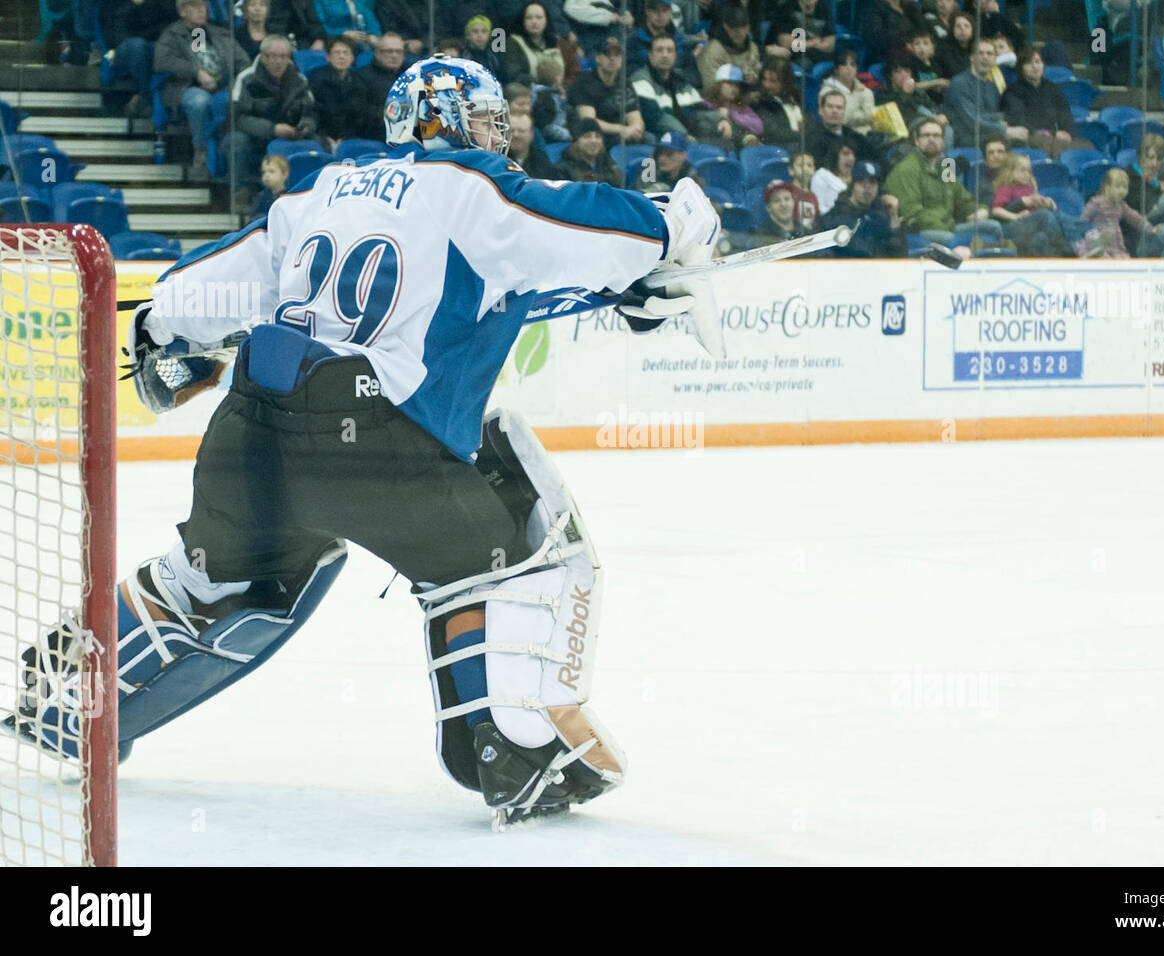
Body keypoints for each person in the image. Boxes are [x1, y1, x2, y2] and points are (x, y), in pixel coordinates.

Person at [23, 56, 721, 828]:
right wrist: (674, 227)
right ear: (445, 119)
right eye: (489, 120)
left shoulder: (323, 190)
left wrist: (162, 330)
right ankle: (516, 745)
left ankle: (60, 694)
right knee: (525, 546)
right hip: (378, 453)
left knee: (218, 581)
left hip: (250, 437)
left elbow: (200, 289)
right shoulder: (469, 189)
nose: (502, 137)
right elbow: (571, 224)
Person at [155, 0, 250, 183]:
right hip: (186, 87)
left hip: (222, 87)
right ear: (183, 11)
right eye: (196, 7)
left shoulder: (220, 34)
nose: (202, 11)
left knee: (231, 100)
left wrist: (233, 81)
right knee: (200, 102)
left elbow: (243, 62)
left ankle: (224, 154)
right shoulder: (172, 35)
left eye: (204, 7)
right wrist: (195, 72)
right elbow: (162, 61)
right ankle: (201, 149)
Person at [225, 35, 318, 208]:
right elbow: (236, 119)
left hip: (289, 134)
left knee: (318, 142)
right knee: (236, 141)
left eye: (283, 56)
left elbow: (311, 113)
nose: (278, 61)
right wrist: (272, 129)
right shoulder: (247, 78)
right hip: (254, 137)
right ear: (263, 57)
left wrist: (305, 126)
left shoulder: (300, 80)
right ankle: (239, 193)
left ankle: (312, 194)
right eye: (273, 56)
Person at [883, 115, 1001, 245]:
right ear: (917, 141)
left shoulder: (945, 166)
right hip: (922, 232)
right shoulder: (907, 169)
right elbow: (912, 214)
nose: (931, 139)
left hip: (948, 228)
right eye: (926, 135)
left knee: (994, 228)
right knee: (953, 240)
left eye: (936, 136)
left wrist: (979, 210)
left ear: (943, 141)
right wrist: (948, 228)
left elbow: (962, 200)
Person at [630, 35, 732, 144]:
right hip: (661, 137)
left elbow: (700, 109)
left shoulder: (681, 82)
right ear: (650, 55)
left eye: (669, 51)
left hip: (686, 136)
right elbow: (653, 117)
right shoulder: (640, 78)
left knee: (725, 133)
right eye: (659, 50)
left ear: (675, 56)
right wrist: (683, 135)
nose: (665, 55)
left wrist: (721, 119)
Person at [942, 37, 1028, 148]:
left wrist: (1000, 122)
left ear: (995, 59)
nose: (985, 57)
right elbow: (971, 121)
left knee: (1021, 138)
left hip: (989, 134)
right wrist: (1004, 130)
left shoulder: (992, 86)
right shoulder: (959, 83)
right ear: (972, 57)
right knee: (1012, 141)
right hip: (966, 138)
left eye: (990, 54)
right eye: (980, 53)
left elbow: (991, 115)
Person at [989, 153, 1073, 256]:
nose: (1027, 174)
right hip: (1014, 226)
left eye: (1029, 171)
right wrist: (1015, 216)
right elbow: (996, 210)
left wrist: (1047, 203)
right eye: (1022, 170)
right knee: (1044, 215)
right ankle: (1067, 249)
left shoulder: (1029, 188)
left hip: (1033, 225)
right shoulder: (1006, 188)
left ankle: (1085, 238)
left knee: (1058, 219)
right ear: (1009, 171)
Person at [1000, 46, 1076, 159]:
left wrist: (1067, 132)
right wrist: (1053, 134)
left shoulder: (1052, 88)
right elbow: (1019, 122)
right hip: (1029, 138)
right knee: (1048, 145)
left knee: (1085, 147)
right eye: (1029, 63)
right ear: (1021, 68)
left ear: (1043, 65)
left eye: (1038, 62)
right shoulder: (1013, 91)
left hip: (1053, 139)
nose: (1034, 67)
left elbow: (1065, 114)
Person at [568, 37, 646, 146]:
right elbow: (589, 121)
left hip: (621, 134)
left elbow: (634, 115)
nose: (612, 58)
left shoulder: (625, 82)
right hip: (593, 136)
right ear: (597, 58)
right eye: (607, 54)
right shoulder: (583, 83)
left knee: (648, 139)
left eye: (617, 54)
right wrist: (622, 130)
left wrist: (635, 128)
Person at [821, 160, 906, 257]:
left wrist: (893, 216)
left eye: (872, 183)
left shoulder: (881, 216)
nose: (867, 188)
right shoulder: (834, 217)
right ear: (853, 185)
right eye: (862, 182)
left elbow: (899, 255)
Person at [310, 36, 374, 150]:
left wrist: (346, 137)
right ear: (328, 57)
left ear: (352, 58)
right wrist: (325, 136)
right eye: (337, 53)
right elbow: (314, 112)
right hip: (321, 135)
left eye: (346, 53)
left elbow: (361, 116)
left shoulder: (359, 81)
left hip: (351, 136)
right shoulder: (316, 79)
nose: (341, 56)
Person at [1078, 166, 1155, 258]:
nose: (1122, 191)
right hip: (1099, 241)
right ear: (1106, 187)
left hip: (1115, 241)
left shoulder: (1121, 205)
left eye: (1125, 187)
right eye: (1118, 187)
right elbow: (1082, 222)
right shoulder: (1096, 203)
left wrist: (1149, 227)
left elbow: (1134, 217)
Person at [357, 32, 409, 140]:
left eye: (399, 52)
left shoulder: (412, 75)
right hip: (376, 133)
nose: (394, 55)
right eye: (389, 51)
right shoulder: (361, 76)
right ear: (377, 53)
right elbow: (362, 111)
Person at [694, 3, 760, 87]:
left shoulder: (753, 48)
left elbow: (760, 78)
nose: (739, 32)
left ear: (749, 28)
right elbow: (711, 87)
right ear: (725, 26)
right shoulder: (712, 51)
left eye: (743, 27)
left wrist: (755, 79)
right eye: (734, 28)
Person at [504, 2, 565, 84]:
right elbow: (514, 74)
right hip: (529, 91)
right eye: (528, 18)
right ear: (522, 20)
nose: (534, 21)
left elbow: (573, 71)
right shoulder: (514, 42)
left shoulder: (558, 41)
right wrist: (543, 83)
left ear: (546, 20)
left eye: (539, 17)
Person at [819, 48, 876, 136]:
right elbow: (842, 119)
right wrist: (863, 116)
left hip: (865, 136)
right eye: (844, 64)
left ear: (857, 69)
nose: (849, 68)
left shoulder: (864, 91)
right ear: (837, 69)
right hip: (838, 137)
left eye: (853, 65)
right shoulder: (827, 91)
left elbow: (872, 118)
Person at [750, 60, 805, 149]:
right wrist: (803, 135)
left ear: (785, 82)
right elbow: (775, 133)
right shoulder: (760, 102)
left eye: (772, 81)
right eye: (764, 79)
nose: (766, 85)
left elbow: (809, 122)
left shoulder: (796, 97)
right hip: (779, 148)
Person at [558, 116, 627, 183]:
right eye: (587, 136)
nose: (593, 141)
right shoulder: (563, 169)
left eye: (597, 136)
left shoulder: (608, 163)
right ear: (576, 142)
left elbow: (619, 184)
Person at [766, 0, 837, 64]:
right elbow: (786, 43)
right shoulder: (787, 7)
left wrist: (800, 44)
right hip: (793, 58)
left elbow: (830, 45)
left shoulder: (824, 8)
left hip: (818, 59)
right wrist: (813, 43)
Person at [632, 131, 707, 190]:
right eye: (659, 153)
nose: (661, 158)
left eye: (669, 153)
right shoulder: (649, 174)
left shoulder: (693, 178)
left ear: (683, 155)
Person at [859, 0, 927, 66]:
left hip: (916, 55)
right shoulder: (875, 7)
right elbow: (875, 36)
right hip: (888, 59)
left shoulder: (911, 7)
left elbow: (924, 31)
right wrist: (906, 42)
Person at [505, 110, 561, 176]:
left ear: (531, 134)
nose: (516, 135)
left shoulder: (542, 163)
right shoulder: (498, 159)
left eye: (521, 131)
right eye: (511, 130)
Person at [810, 141, 857, 212]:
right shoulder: (822, 175)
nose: (851, 158)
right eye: (846, 154)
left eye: (853, 154)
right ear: (835, 156)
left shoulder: (857, 179)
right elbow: (818, 206)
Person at [315, 0, 382, 47]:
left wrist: (373, 33)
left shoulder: (362, 1)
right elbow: (320, 25)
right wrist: (343, 32)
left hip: (363, 38)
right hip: (335, 38)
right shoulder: (322, 1)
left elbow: (370, 17)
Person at [787, 151, 821, 231]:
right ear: (791, 170)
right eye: (800, 165)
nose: (806, 169)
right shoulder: (788, 192)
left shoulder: (813, 197)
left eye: (809, 165)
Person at [249, 152, 290, 218]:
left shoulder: (290, 196)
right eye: (264, 172)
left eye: (271, 171)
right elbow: (254, 218)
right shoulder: (261, 197)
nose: (266, 175)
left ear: (285, 174)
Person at [934, 9, 973, 78]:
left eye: (966, 26)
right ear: (952, 29)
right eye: (958, 26)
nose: (962, 29)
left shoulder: (978, 47)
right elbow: (955, 72)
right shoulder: (943, 49)